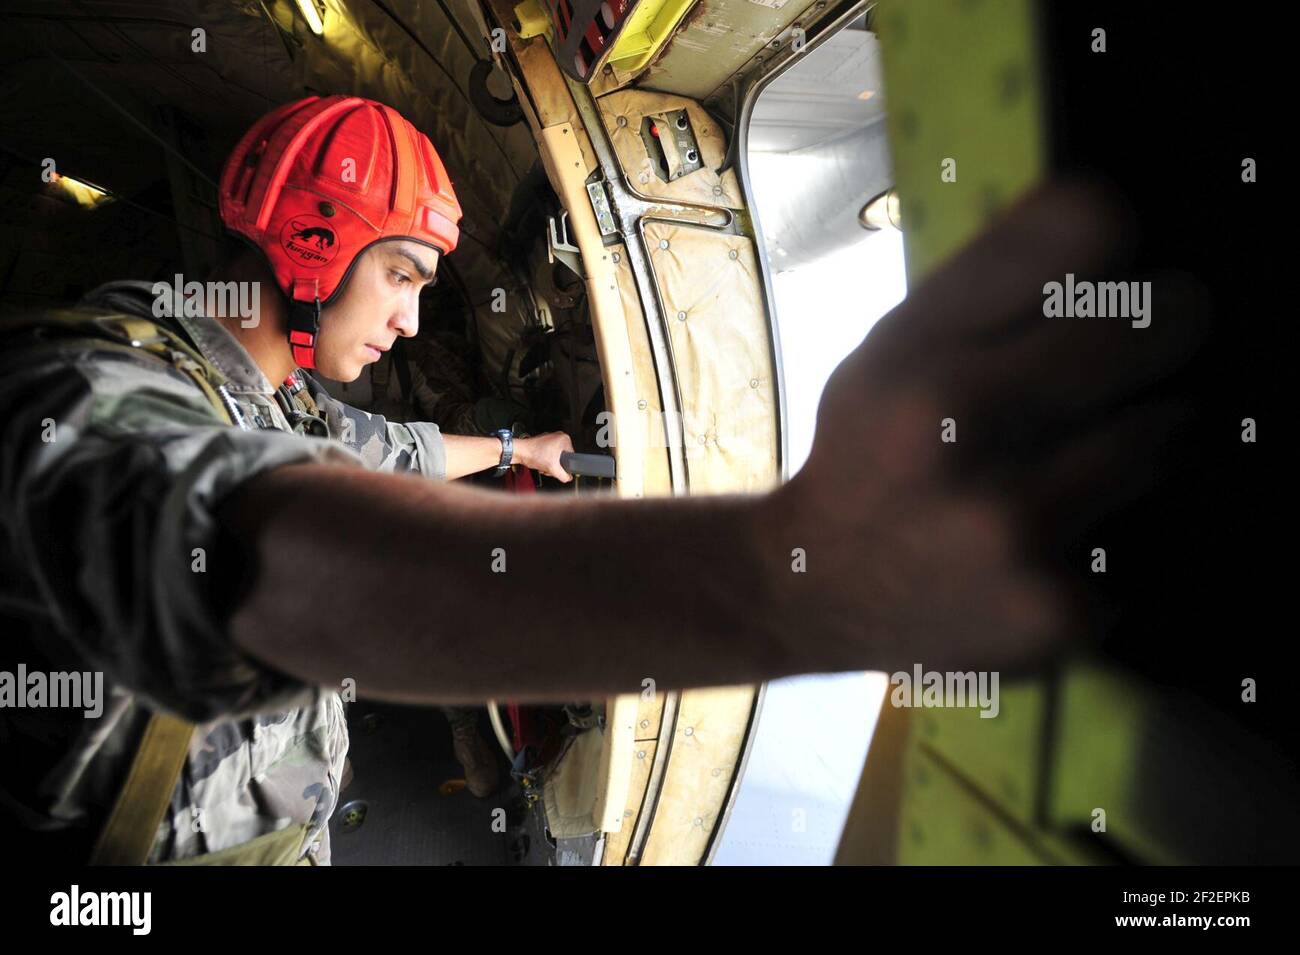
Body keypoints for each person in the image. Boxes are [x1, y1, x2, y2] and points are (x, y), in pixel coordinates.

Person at [0, 95, 1201, 865]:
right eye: (408, 275)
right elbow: (262, 547)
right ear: (314, 243)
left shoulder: (279, 395)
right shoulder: (79, 394)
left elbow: (387, 451)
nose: (416, 322)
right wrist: (803, 581)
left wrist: (520, 454)